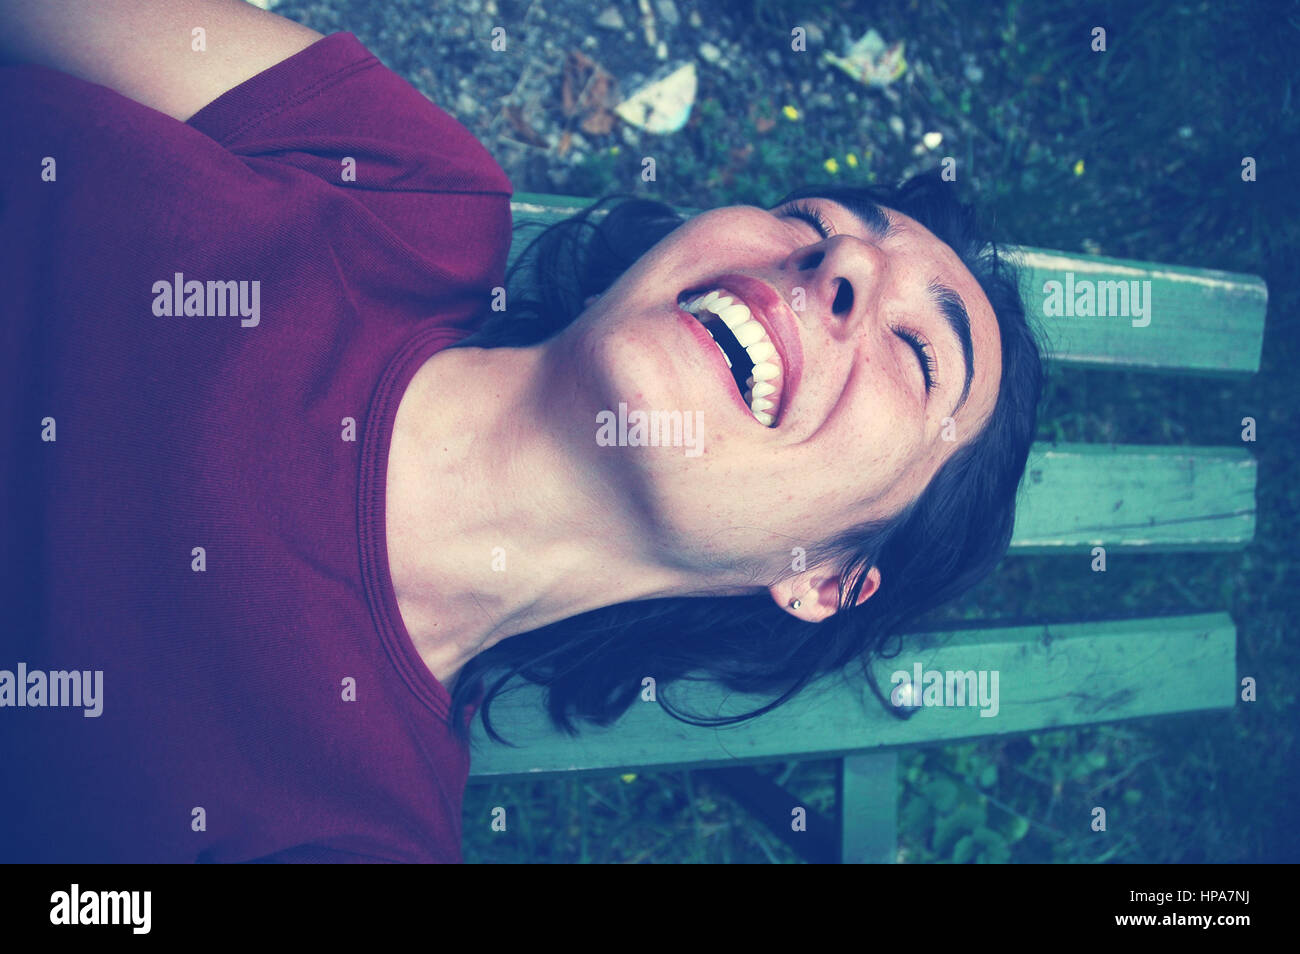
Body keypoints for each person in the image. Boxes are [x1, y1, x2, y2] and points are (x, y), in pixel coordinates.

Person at [0, 0, 1042, 863]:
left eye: (917, 358)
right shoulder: (411, 188)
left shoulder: (348, 832)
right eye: (817, 224)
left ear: (822, 578)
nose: (840, 266)